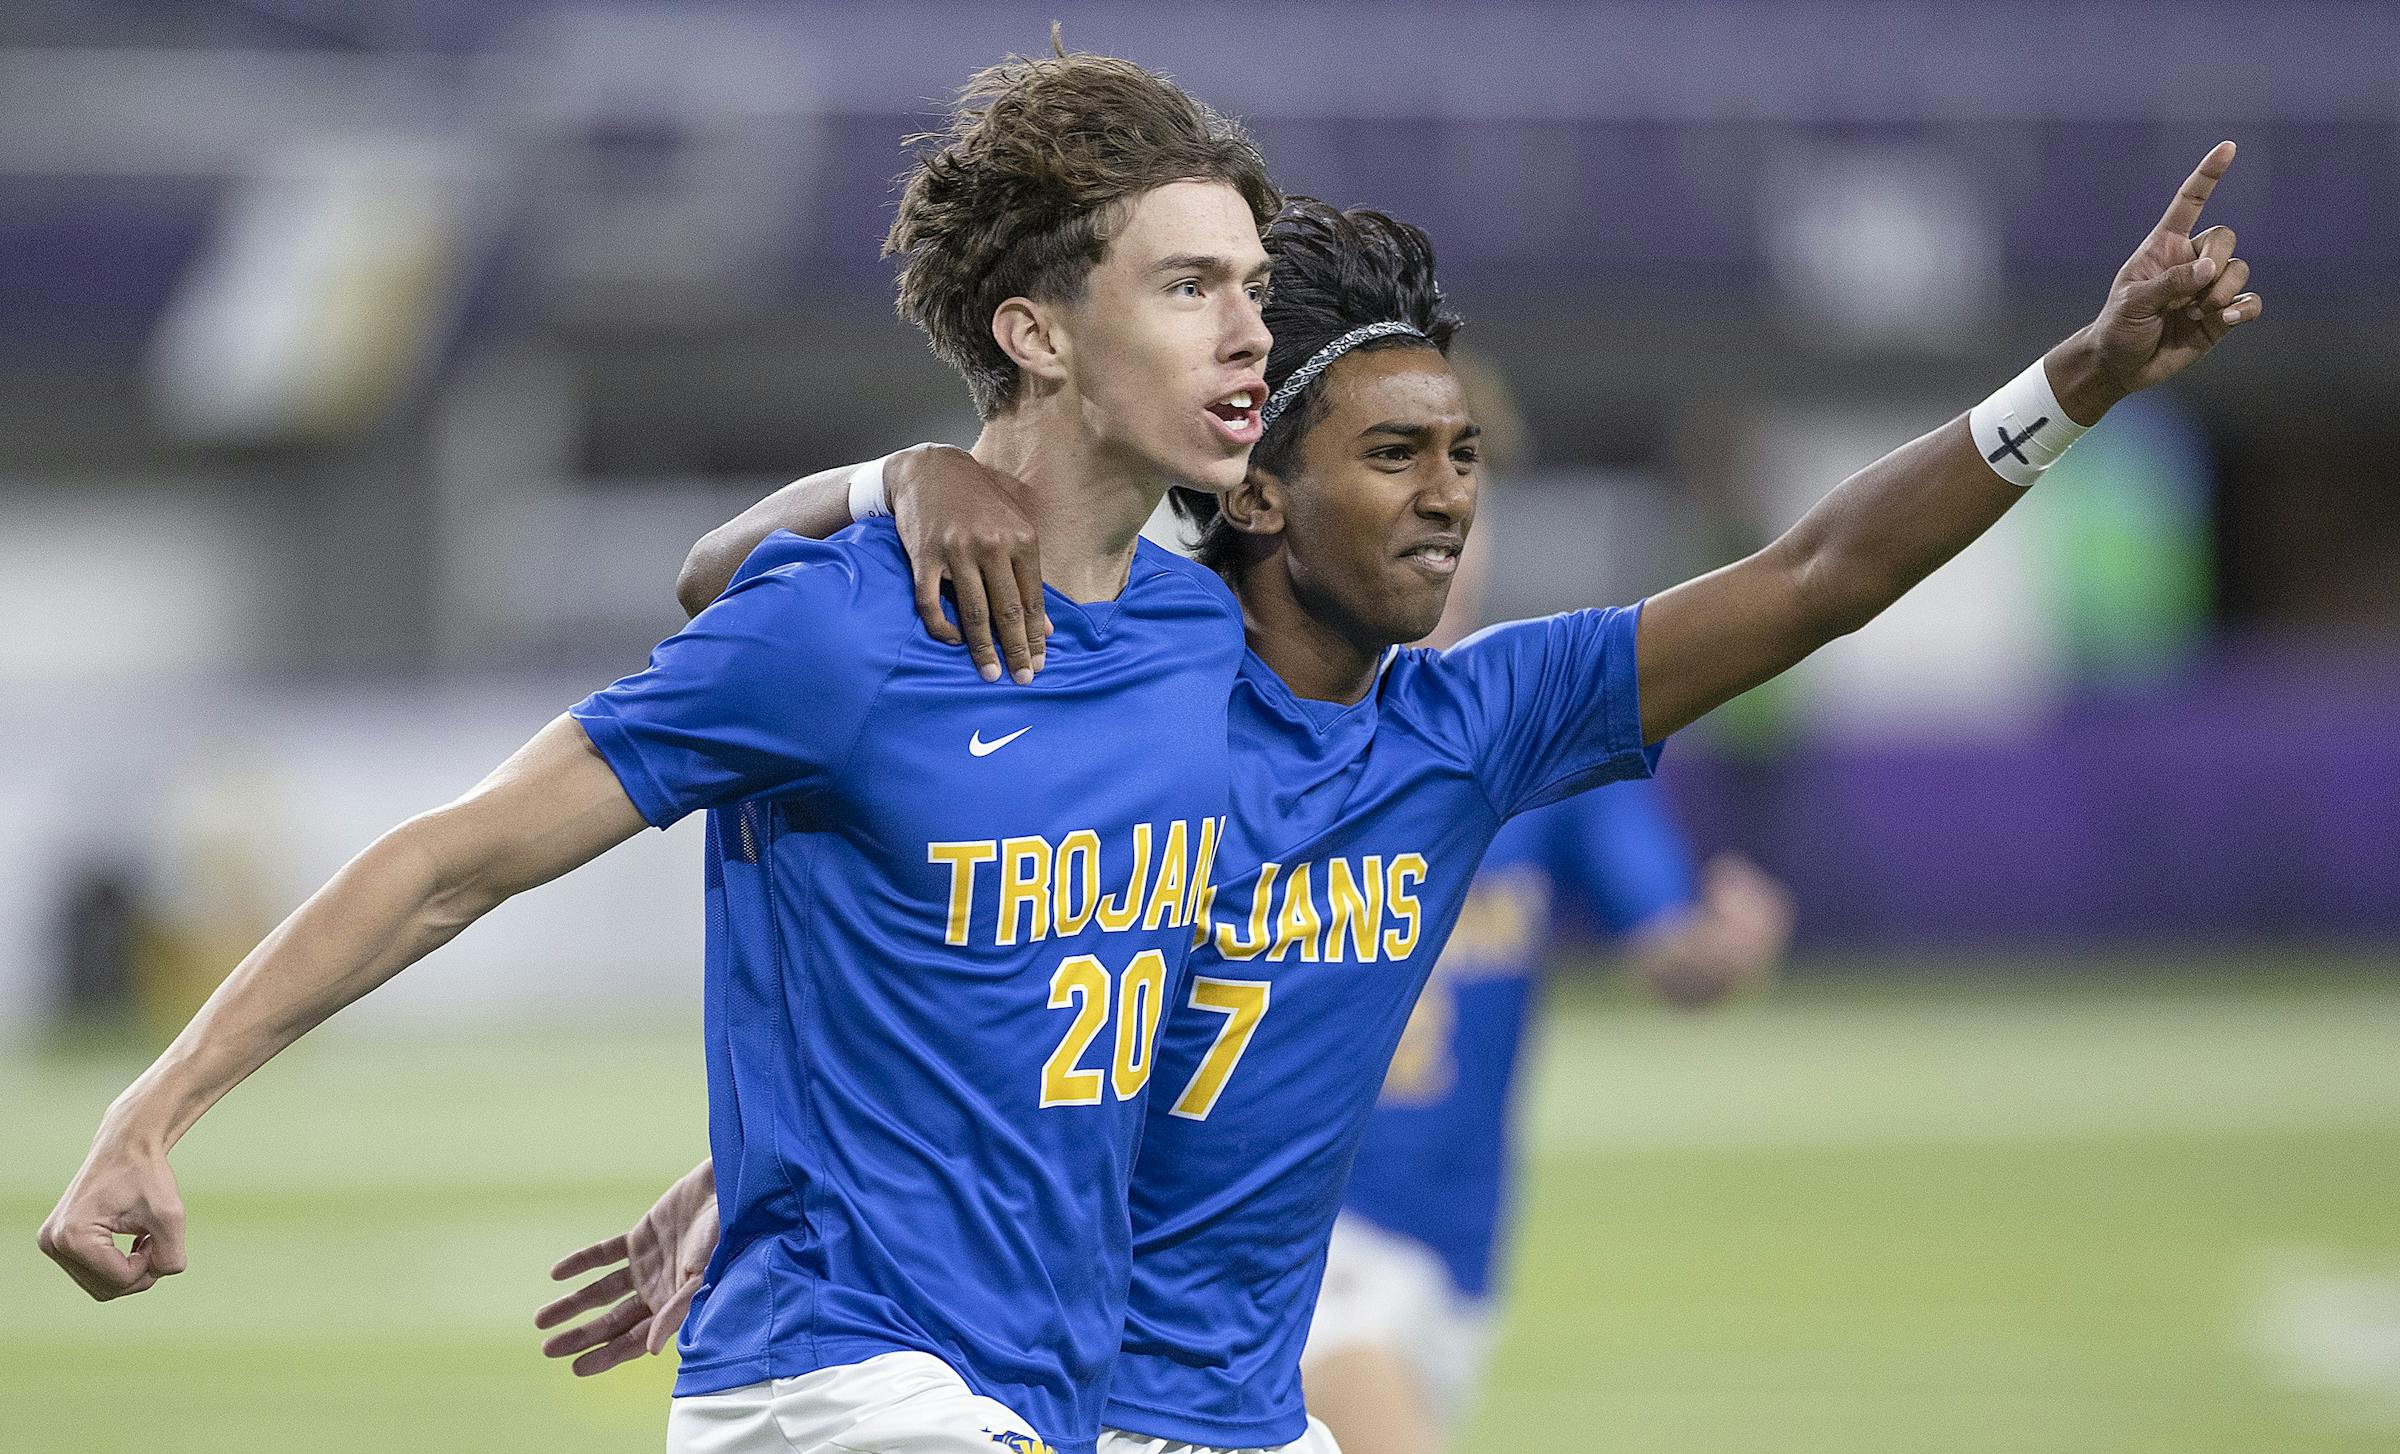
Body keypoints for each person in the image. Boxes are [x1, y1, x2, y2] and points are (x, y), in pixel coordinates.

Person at [544, 147, 2260, 1454]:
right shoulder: (1105, 687)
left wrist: (2081, 381)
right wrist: (897, 476)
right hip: (1052, 1396)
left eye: (1465, 461)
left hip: (1245, 1406)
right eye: (1397, 459)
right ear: (1261, 494)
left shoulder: (1476, 725)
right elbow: (725, 593)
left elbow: (1814, 573)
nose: (1451, 500)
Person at [42, 45, 1283, 1454]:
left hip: (1052, 1387)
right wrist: (151, 1111)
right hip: (841, 1385)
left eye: (1252, 285)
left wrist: (772, 1149)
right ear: (1038, 336)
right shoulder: (841, 629)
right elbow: (453, 860)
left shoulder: (1196, 635)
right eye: (1190, 285)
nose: (1248, 329)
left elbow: (1046, 995)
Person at [1301, 451, 1794, 1454]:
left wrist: (1719, 952)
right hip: (1296, 1235)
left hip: (1456, 1250)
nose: (1440, 534)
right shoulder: (1271, 724)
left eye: (1463, 508)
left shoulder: (1537, 728)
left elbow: (1666, 952)